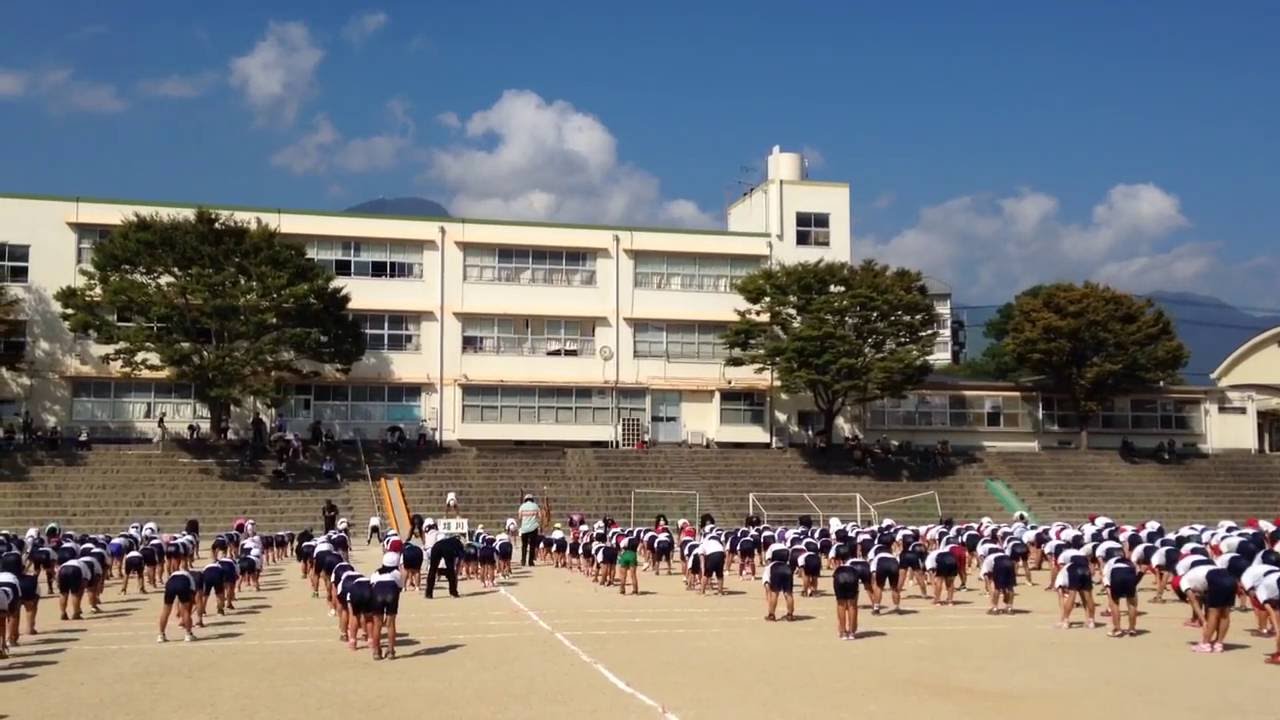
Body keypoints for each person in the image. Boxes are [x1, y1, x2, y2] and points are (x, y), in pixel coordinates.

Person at [368, 552, 404, 660]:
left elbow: (371, 586)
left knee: (377, 624)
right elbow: (400, 588)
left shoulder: (376, 573)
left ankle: (376, 651)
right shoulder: (397, 573)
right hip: (391, 593)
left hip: (377, 593)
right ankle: (391, 650)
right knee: (390, 624)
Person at [426, 530, 462, 599]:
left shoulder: (446, 540)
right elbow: (459, 561)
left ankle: (429, 593)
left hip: (436, 546)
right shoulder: (459, 544)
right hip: (447, 549)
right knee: (451, 570)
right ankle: (453, 592)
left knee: (432, 570)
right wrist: (456, 574)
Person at [518, 494, 540, 567]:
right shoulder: (535, 506)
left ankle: (523, 561)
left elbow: (519, 517)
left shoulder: (522, 506)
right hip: (533, 528)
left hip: (524, 528)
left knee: (524, 545)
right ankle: (531, 561)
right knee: (532, 546)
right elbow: (540, 516)